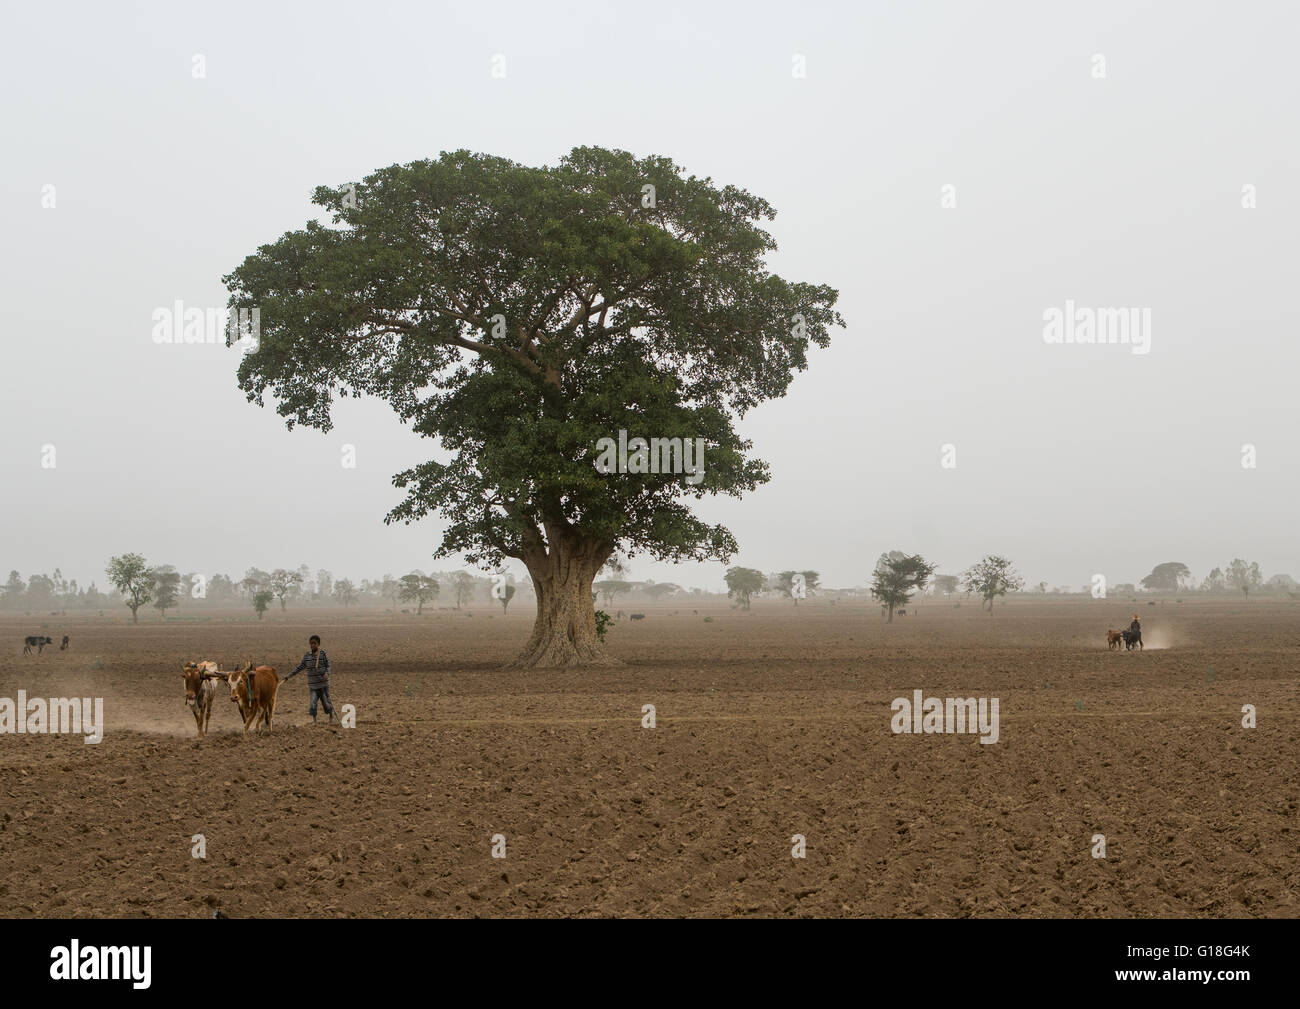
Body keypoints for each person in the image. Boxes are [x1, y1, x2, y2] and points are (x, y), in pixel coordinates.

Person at [283, 635, 339, 724]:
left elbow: (328, 665)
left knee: (326, 704)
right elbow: (300, 667)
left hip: (323, 684)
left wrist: (327, 673)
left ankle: (331, 716)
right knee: (313, 704)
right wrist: (289, 676)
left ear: (318, 644)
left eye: (314, 643)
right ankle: (314, 721)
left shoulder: (323, 653)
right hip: (313, 685)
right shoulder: (307, 656)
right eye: (311, 643)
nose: (312, 645)